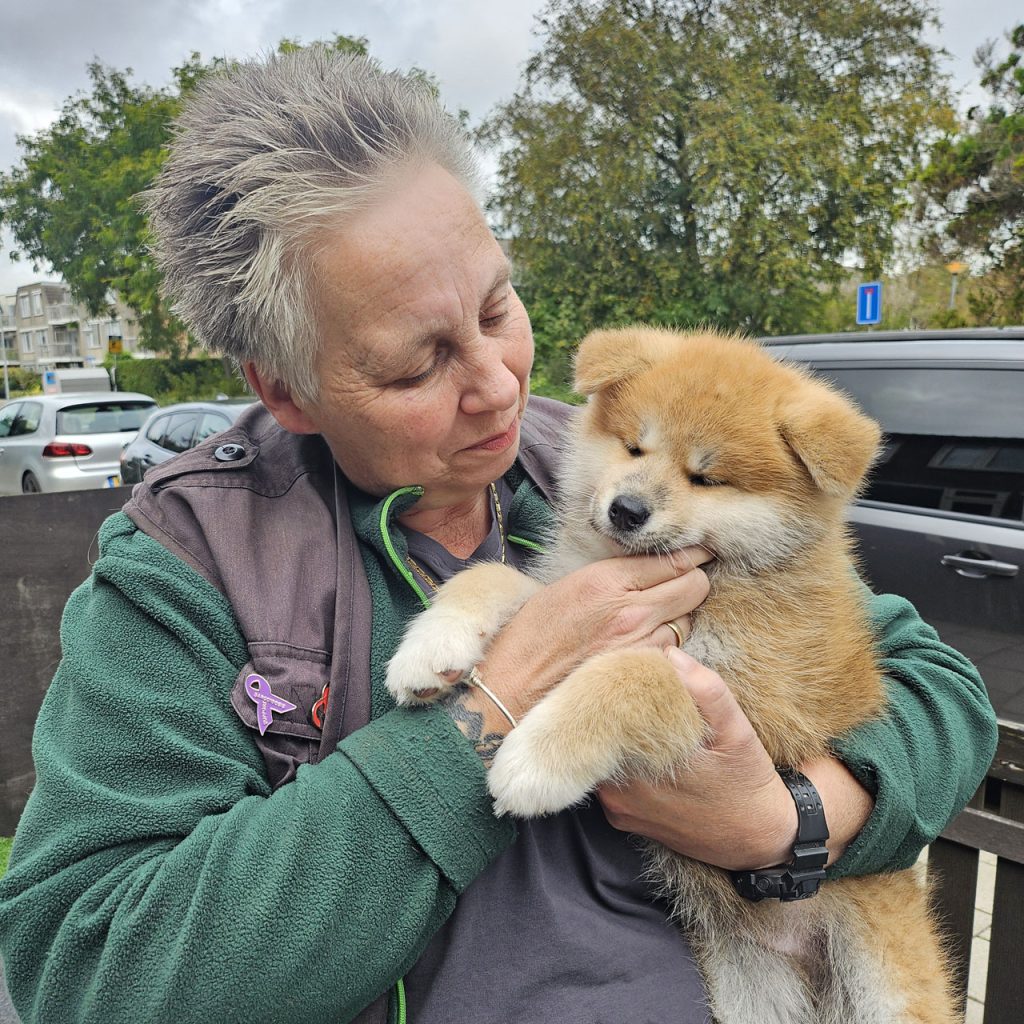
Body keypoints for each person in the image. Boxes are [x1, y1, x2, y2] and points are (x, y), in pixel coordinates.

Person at [0, 49, 996, 1024]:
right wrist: (489, 708)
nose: (500, 384)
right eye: (414, 364)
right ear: (285, 389)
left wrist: (786, 821)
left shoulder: (595, 459)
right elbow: (87, 971)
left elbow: (936, 687)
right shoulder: (187, 568)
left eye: (495, 306)